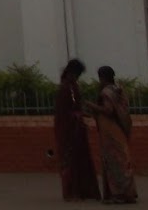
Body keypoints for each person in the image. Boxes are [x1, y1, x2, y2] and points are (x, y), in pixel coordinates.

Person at [88, 65, 138, 204]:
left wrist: (92, 106)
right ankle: (128, 193)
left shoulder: (106, 92)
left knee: (114, 161)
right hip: (119, 129)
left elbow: (108, 110)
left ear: (103, 78)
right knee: (123, 160)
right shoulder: (117, 90)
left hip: (110, 131)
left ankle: (118, 194)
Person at [53, 59, 100, 201]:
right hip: (69, 131)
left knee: (82, 160)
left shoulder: (73, 87)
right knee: (71, 161)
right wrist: (78, 115)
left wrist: (83, 114)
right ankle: (72, 192)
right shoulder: (65, 88)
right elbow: (63, 113)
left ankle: (84, 191)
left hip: (77, 130)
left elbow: (75, 108)